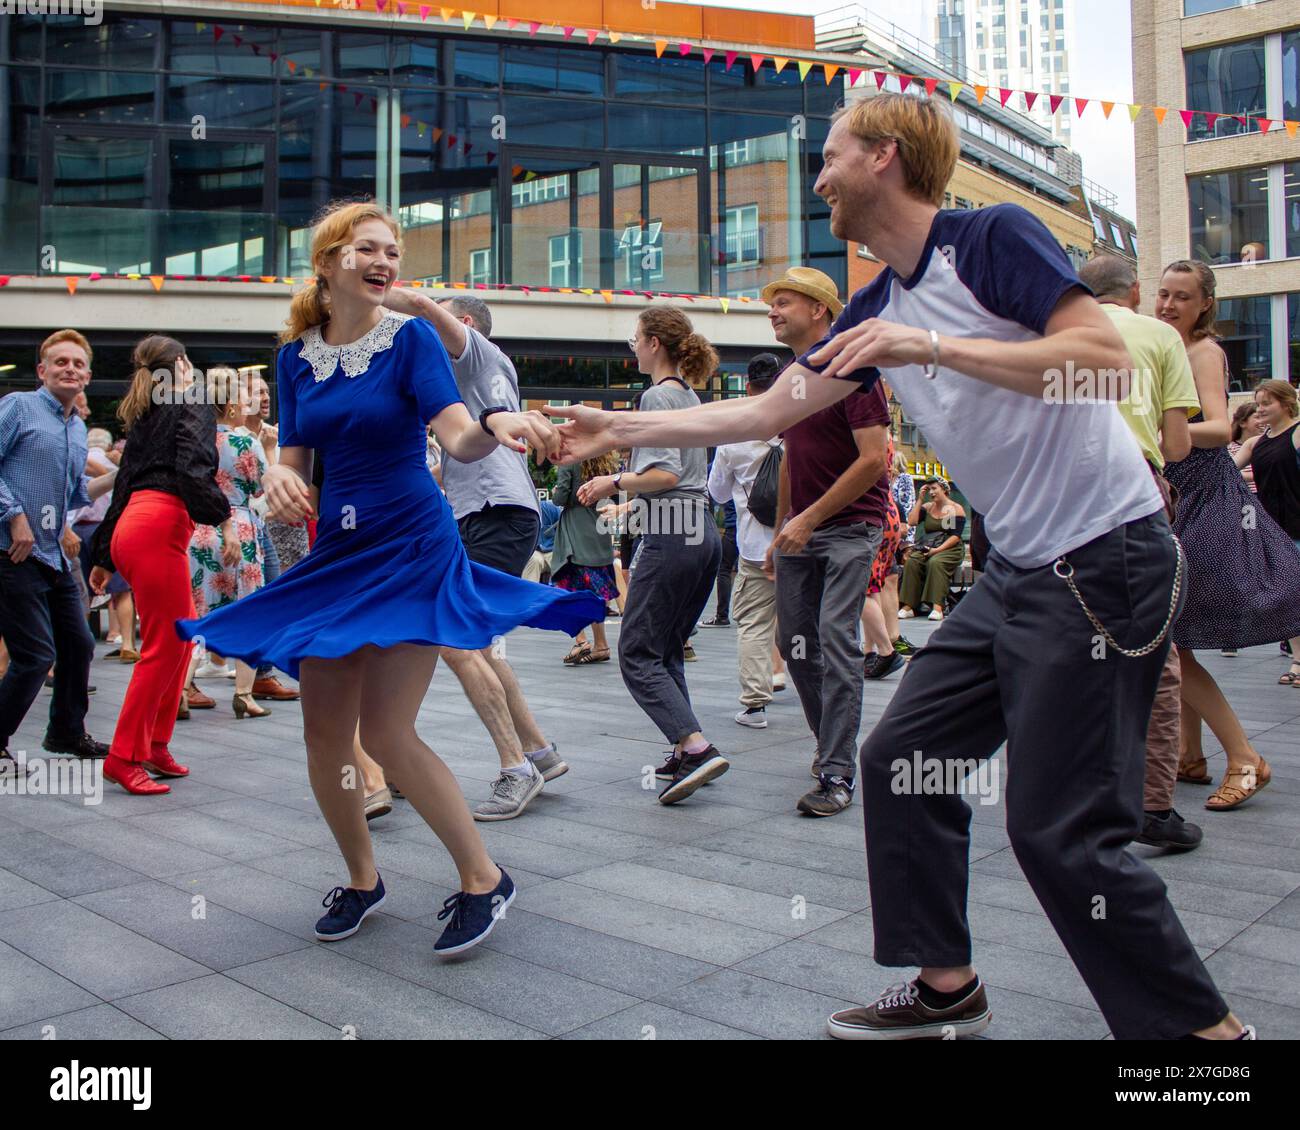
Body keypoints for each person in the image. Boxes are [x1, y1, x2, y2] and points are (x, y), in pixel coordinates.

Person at [553, 93, 1246, 1042]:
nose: (819, 176)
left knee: (1058, 832)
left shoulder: (990, 239)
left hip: (1102, 556)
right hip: (1020, 569)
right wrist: (618, 426)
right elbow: (760, 417)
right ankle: (947, 984)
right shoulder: (874, 304)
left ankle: (1206, 1047)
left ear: (883, 157)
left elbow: (1099, 364)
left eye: (831, 156)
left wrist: (926, 345)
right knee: (900, 758)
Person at [176, 200, 601, 954]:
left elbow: (457, 434)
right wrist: (277, 471)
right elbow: (297, 456)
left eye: (392, 252)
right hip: (340, 552)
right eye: (368, 249)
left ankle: (483, 878)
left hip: (411, 546)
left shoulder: (408, 341)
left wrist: (498, 425)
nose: (385, 263)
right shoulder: (295, 355)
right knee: (322, 734)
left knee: (387, 731)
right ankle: (363, 878)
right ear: (329, 262)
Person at [378, 290, 566, 821]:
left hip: (497, 513)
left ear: (462, 325)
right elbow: (459, 454)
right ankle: (538, 752)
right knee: (474, 642)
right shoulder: (473, 378)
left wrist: (364, 290)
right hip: (489, 511)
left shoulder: (475, 352)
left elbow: (422, 309)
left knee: (454, 639)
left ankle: (516, 767)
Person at [1157, 261, 1300, 812]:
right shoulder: (1168, 349)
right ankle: (1189, 754)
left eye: (1182, 297)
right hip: (1180, 499)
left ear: (1204, 305)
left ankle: (1245, 757)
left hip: (1204, 500)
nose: (1168, 305)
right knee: (1178, 632)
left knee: (1168, 635)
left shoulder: (1203, 353)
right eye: (1164, 294)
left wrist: (1150, 427)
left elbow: (1219, 428)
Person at [578, 307, 728, 805]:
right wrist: (628, 501)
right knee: (664, 649)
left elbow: (663, 475)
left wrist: (611, 481)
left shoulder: (658, 395)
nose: (632, 347)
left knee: (636, 650)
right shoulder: (688, 396)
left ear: (656, 344)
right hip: (700, 530)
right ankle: (685, 749)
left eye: (636, 338)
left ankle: (697, 746)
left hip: (673, 531)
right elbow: (682, 478)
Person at [1078, 253, 1202, 852]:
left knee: (1071, 644)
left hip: (1062, 500)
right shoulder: (1159, 336)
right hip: (1133, 497)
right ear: (1133, 292)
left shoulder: (1058, 331)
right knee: (1155, 655)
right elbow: (1176, 443)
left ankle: (1074, 791)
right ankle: (1153, 806)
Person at [762, 265, 889, 816]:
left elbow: (873, 460)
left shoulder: (852, 365)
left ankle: (837, 772)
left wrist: (808, 518)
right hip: (801, 530)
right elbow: (792, 456)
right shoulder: (791, 376)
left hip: (849, 529)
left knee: (837, 642)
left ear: (818, 310)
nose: (773, 310)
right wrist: (781, 526)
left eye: (784, 302)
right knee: (796, 644)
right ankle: (829, 746)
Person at [87, 337, 234, 794]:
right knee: (166, 646)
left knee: (178, 637)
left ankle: (154, 744)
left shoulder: (146, 413)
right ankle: (125, 755)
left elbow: (126, 485)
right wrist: (225, 515)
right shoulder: (192, 399)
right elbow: (195, 470)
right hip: (158, 525)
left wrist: (105, 555)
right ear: (184, 364)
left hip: (137, 527)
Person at [0, 330, 112, 773]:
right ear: (42, 371)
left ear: (87, 375)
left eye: (78, 363)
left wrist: (120, 477)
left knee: (80, 644)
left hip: (52, 554)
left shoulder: (76, 427)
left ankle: (66, 732)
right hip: (11, 551)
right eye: (60, 362)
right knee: (34, 656)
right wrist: (13, 515)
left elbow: (75, 493)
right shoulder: (19, 408)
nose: (70, 369)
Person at [184, 366, 272, 719]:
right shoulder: (244, 442)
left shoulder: (194, 441)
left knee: (199, 612)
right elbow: (262, 489)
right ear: (231, 404)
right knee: (249, 612)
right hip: (240, 527)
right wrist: (268, 450)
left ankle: (181, 688)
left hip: (199, 530)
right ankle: (244, 694)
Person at [708, 353, 784, 726]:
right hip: (808, 542)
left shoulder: (735, 436)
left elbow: (718, 493)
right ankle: (821, 699)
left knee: (755, 623)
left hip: (757, 547)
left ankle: (755, 704)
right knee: (811, 623)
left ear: (749, 387)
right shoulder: (804, 421)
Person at [1233, 378, 1300, 682]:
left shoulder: (1298, 433)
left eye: (1266, 403)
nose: (1260, 409)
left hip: (1296, 524)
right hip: (1275, 529)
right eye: (1258, 404)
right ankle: (1298, 662)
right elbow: (1227, 472)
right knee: (1288, 596)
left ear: (1286, 403)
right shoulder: (1254, 444)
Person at [242, 371, 301, 703]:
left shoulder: (275, 436)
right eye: (256, 392)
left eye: (266, 392)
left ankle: (262, 672)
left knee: (272, 592)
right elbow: (262, 489)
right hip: (246, 524)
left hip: (268, 526)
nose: (265, 398)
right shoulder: (235, 438)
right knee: (250, 598)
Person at [552, 453, 618, 665]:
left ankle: (581, 641)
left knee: (567, 588)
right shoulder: (607, 460)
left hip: (576, 530)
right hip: (599, 529)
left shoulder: (569, 461)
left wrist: (555, 493)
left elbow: (561, 497)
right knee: (595, 593)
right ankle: (601, 644)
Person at [861, 437, 906, 679]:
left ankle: (887, 653)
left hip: (870, 510)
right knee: (873, 584)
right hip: (887, 510)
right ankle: (869, 652)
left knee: (860, 588)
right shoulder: (883, 435)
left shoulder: (860, 431)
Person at [898, 478, 965, 622]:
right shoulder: (928, 507)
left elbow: (955, 536)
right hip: (930, 545)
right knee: (913, 561)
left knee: (935, 562)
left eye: (935, 488)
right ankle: (909, 606)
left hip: (949, 547)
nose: (932, 492)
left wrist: (937, 550)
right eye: (929, 489)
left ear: (944, 489)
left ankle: (937, 607)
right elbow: (912, 522)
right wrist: (920, 499)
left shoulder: (953, 508)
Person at [700, 500, 738, 627]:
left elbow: (718, 493)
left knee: (724, 569)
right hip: (756, 527)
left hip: (734, 526)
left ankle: (722, 615)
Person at [523, 494, 561, 585]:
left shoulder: (550, 508)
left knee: (563, 562)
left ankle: (562, 594)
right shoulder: (523, 514)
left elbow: (563, 532)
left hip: (553, 551)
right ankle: (529, 594)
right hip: (534, 551)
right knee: (533, 560)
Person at [1228, 401, 1263, 495]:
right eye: (1257, 417)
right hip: (1244, 497)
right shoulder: (1228, 449)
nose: (1262, 421)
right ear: (1243, 423)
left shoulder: (1267, 446)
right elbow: (1226, 473)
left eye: (1263, 417)